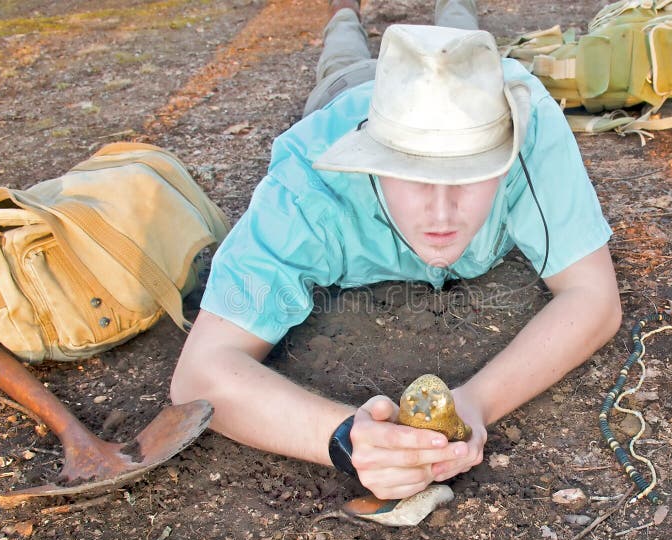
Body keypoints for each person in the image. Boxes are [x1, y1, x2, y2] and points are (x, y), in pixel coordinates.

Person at [171, 0, 622, 501]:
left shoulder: (528, 122)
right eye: (414, 177)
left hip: (452, 77)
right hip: (348, 93)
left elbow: (594, 296)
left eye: (469, 176)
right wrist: (347, 438)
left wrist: (476, 402)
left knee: (457, 39)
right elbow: (200, 374)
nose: (442, 214)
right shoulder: (305, 185)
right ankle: (344, 12)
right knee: (341, 60)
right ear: (370, 159)